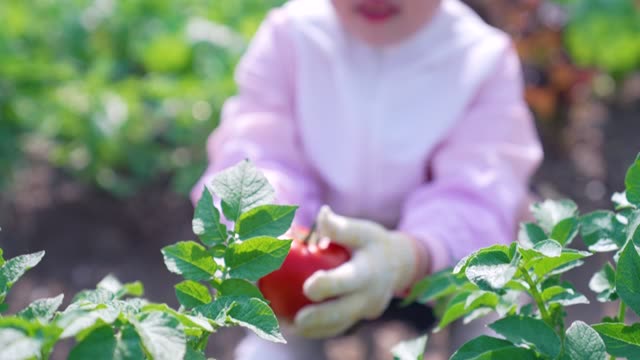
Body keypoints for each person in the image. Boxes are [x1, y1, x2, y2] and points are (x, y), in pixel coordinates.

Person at [191, 0, 543, 358]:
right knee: (274, 347)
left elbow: (477, 184)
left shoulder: (480, 58)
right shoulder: (291, 38)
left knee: (497, 320)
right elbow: (256, 151)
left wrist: (414, 254)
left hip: (437, 260)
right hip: (311, 261)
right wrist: (270, 230)